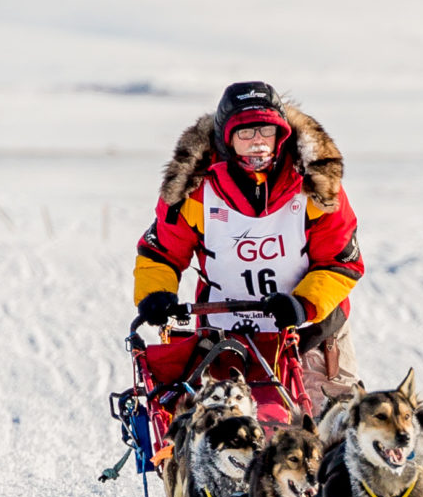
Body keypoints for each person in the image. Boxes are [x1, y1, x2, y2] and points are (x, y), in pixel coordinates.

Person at [133, 81, 363, 402]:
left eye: (266, 131)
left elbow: (341, 261)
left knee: (331, 426)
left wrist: (302, 305)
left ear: (281, 135)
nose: (258, 143)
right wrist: (156, 292)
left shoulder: (315, 187)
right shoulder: (196, 190)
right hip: (225, 335)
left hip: (311, 331)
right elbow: (162, 252)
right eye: (246, 133)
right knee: (231, 433)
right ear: (226, 139)